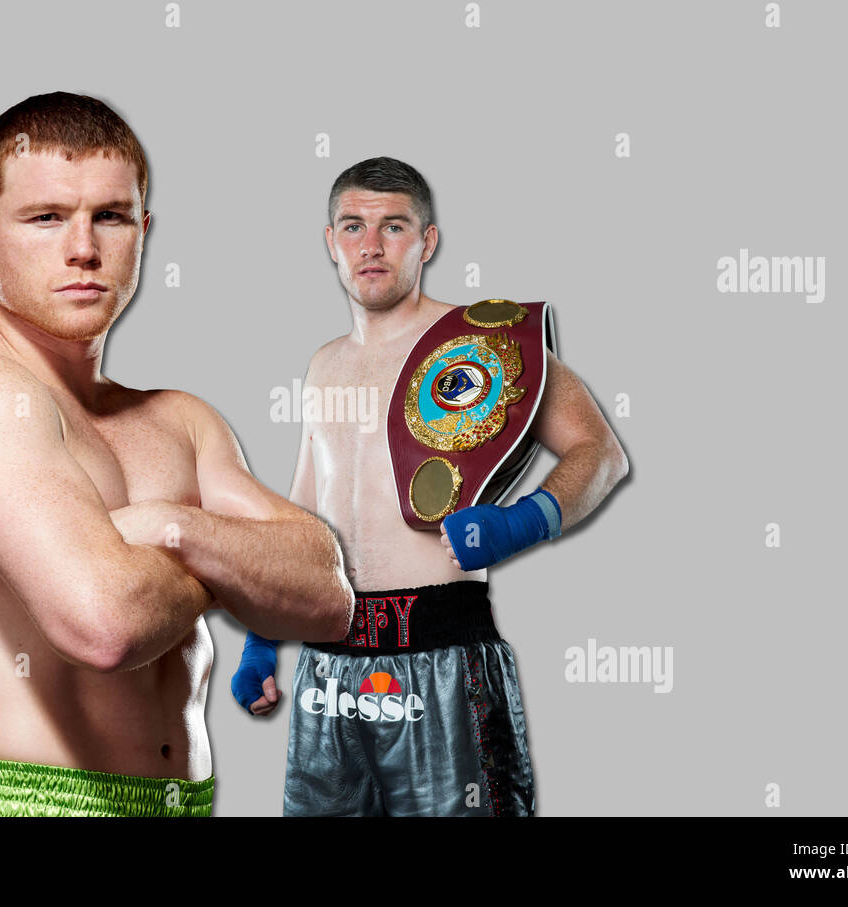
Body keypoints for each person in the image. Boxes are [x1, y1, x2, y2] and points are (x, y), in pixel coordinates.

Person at [0, 92, 352, 817]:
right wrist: (236, 572)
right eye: (45, 217)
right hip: (37, 805)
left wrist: (171, 527)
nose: (83, 249)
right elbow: (105, 625)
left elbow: (327, 594)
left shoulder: (181, 419)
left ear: (144, 229)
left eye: (110, 215)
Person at [230, 157, 629, 816]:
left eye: (394, 227)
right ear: (330, 242)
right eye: (353, 226)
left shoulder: (489, 343)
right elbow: (302, 512)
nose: (371, 245)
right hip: (329, 670)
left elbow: (601, 453)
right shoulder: (323, 365)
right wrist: (262, 637)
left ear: (428, 242)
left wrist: (525, 519)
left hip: (442, 657)